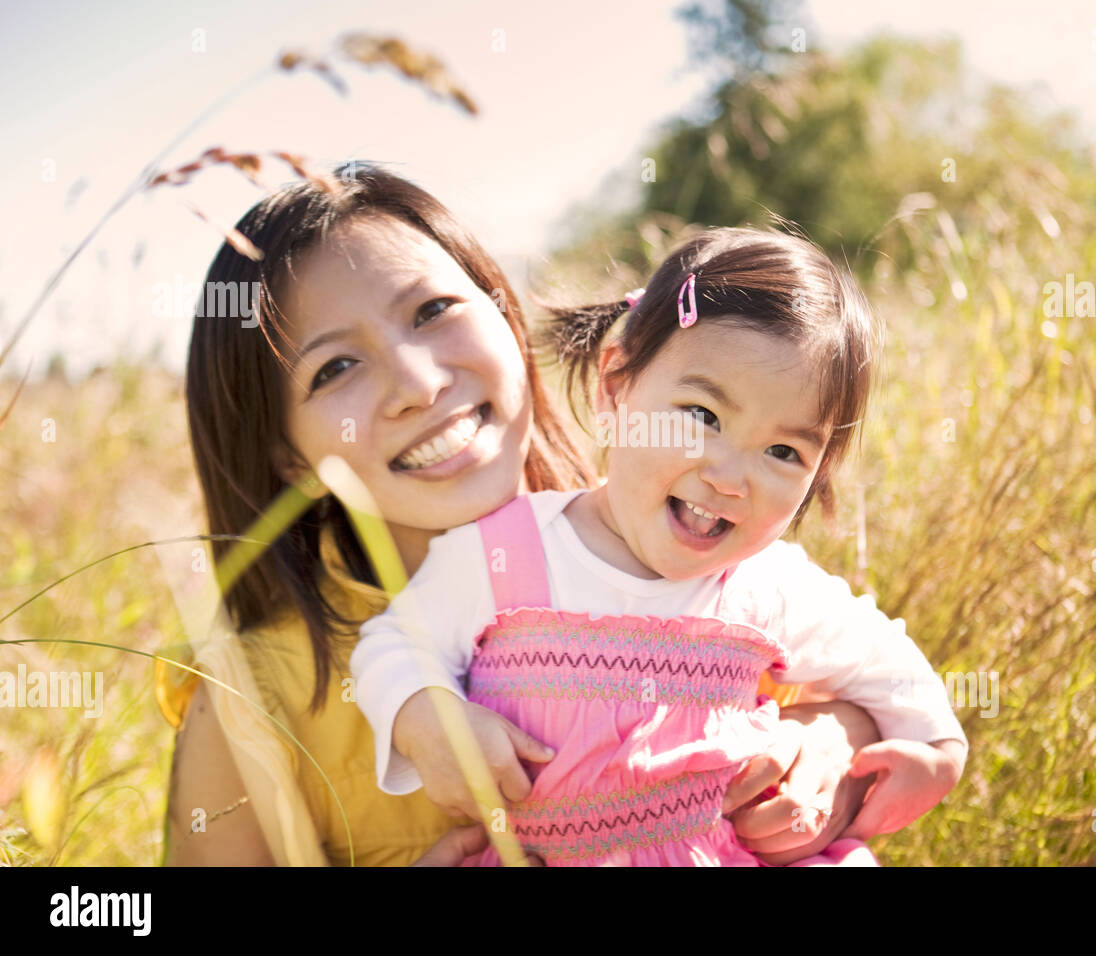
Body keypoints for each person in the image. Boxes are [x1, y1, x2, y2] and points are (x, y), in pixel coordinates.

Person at [163, 166, 887, 866]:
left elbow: (861, 693)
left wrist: (831, 741)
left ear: (505, 316)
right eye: (335, 368)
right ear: (288, 457)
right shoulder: (252, 700)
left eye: (433, 311)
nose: (418, 384)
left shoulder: (685, 536)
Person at [351, 226, 966, 866]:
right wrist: (429, 718)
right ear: (616, 385)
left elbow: (884, 658)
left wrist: (937, 752)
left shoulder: (765, 584)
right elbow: (395, 645)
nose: (729, 476)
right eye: (702, 416)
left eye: (784, 452)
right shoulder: (509, 552)